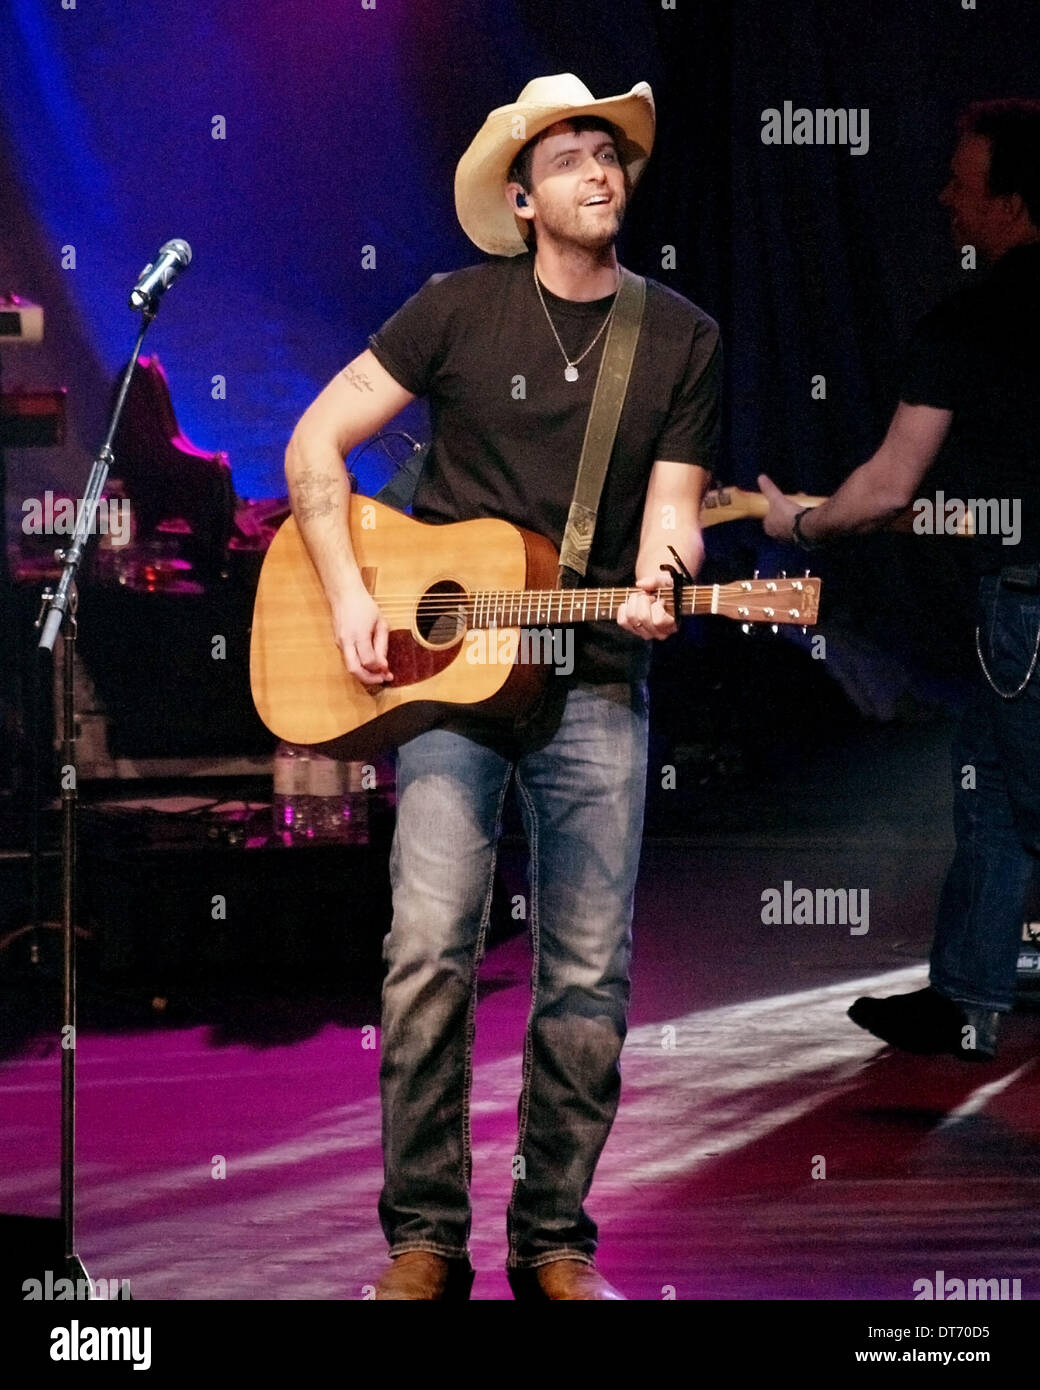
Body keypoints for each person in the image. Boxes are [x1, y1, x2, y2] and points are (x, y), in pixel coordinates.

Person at [283, 74, 721, 1298]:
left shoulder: (677, 335)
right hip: (444, 680)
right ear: (521, 198)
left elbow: (674, 520)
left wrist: (662, 584)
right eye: (571, 156)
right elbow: (316, 442)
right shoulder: (451, 311)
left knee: (586, 970)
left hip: (593, 673)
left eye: (610, 154)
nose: (599, 171)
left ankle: (552, 1243)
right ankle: (423, 1238)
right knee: (425, 949)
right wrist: (354, 595)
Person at [760, 100, 1040, 1064]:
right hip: (1016, 591)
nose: (943, 200)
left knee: (1024, 796)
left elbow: (885, 488)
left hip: (1028, 608)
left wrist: (791, 521)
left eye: (962, 186)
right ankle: (964, 996)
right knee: (994, 790)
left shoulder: (969, 323)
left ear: (1011, 203)